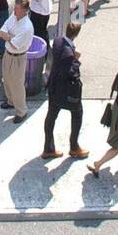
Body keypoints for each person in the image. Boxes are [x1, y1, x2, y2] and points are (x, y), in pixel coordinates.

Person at [42, 21, 87, 160]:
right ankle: (74, 147)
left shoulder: (57, 41)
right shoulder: (69, 55)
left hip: (53, 87)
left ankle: (48, 148)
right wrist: (76, 60)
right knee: (77, 114)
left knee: (51, 117)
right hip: (65, 91)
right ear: (77, 34)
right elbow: (72, 72)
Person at [0, 0, 34, 123]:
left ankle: (21, 111)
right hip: (8, 54)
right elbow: (3, 31)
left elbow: (14, 43)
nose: (14, 11)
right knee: (6, 79)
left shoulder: (27, 27)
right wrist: (8, 37)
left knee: (17, 85)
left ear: (24, 11)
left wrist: (8, 37)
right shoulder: (14, 17)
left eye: (17, 9)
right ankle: (11, 101)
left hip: (18, 57)